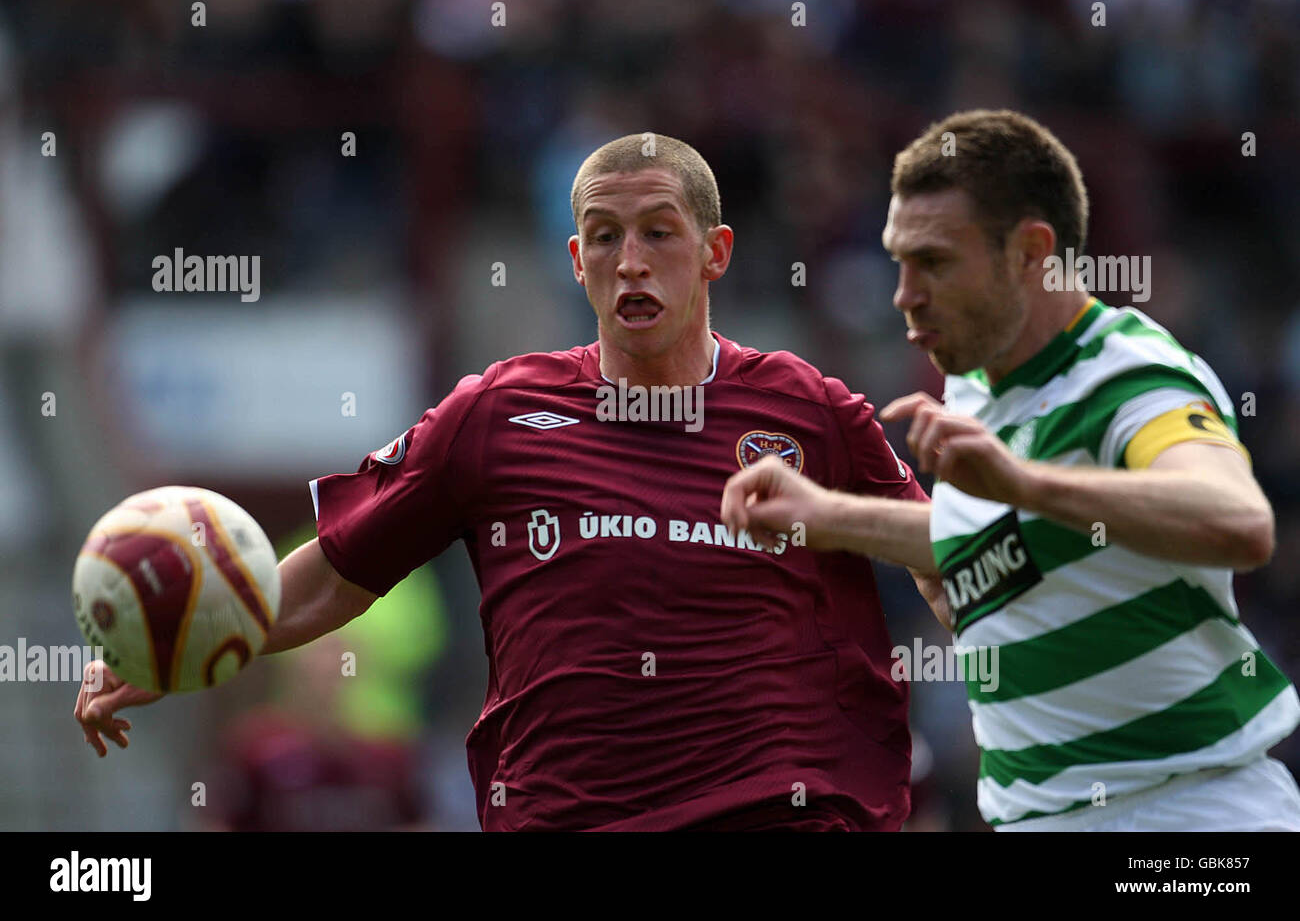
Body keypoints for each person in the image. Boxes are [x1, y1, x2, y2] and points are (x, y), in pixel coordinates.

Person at [75, 133, 942, 831]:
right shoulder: (496, 412)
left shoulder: (808, 408)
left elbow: (943, 556)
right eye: (605, 236)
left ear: (715, 251)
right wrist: (187, 637)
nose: (630, 260)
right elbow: (336, 574)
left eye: (658, 232)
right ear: (575, 257)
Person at [722, 109, 1300, 831]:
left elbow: (1238, 521)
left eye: (932, 261)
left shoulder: (1130, 378)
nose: (903, 293)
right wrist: (825, 516)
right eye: (898, 261)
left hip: (1184, 821)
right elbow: (998, 531)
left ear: (1031, 252)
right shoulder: (979, 383)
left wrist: (1022, 482)